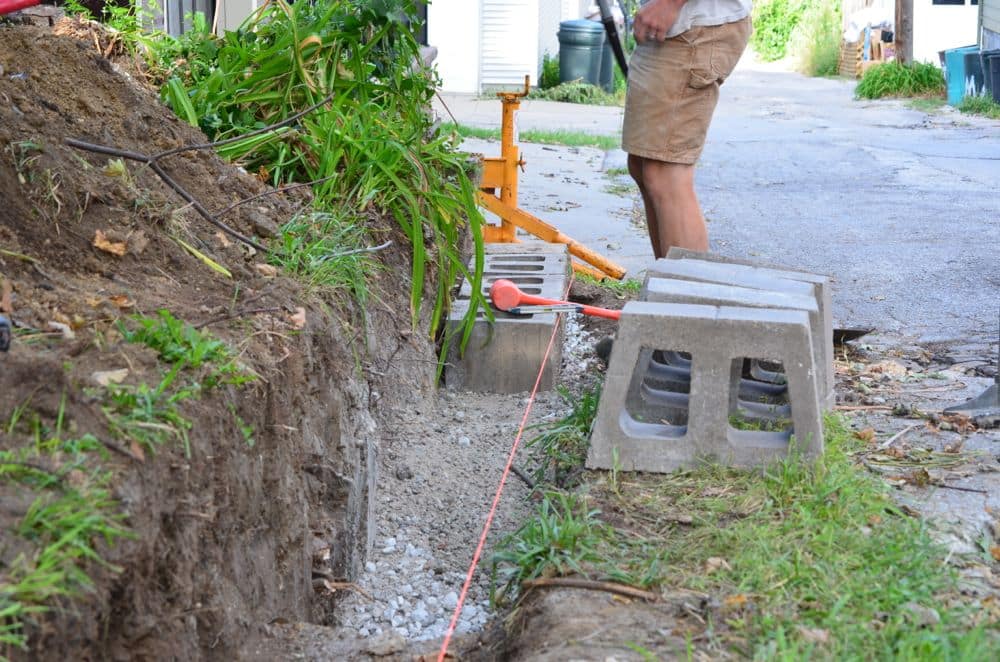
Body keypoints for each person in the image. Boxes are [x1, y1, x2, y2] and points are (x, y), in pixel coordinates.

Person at [624, 0, 752, 257]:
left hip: (692, 26)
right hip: (674, 28)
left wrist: (670, 3)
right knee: (644, 164)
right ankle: (667, 286)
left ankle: (690, 295)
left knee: (665, 172)